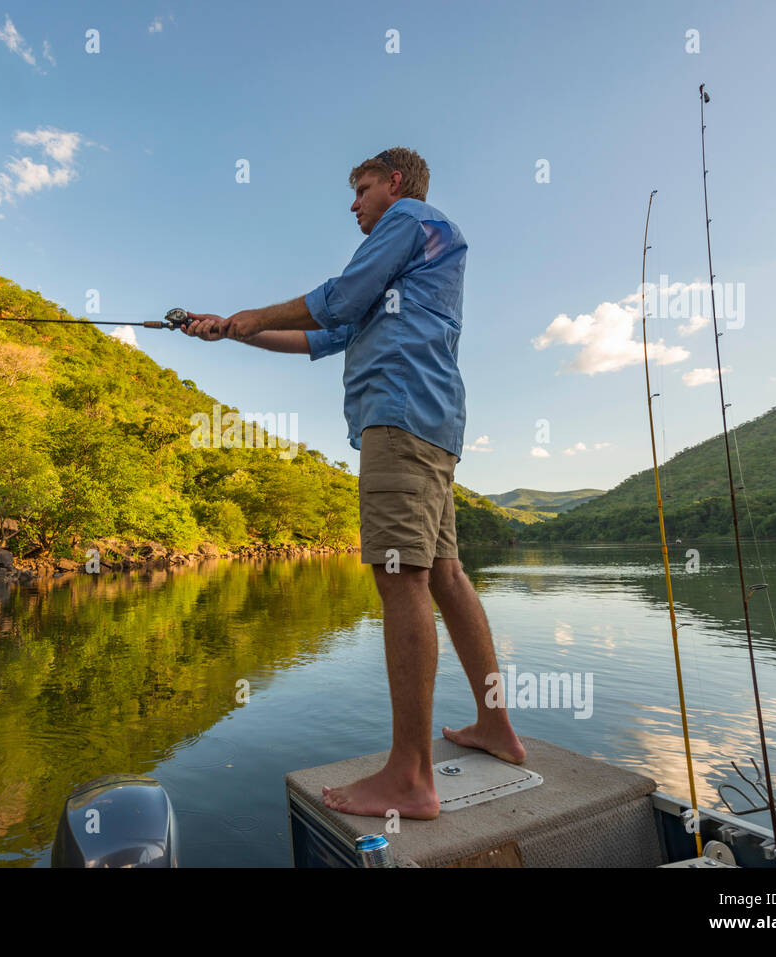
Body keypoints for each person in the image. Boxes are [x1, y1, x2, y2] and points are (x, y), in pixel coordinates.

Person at [181, 147, 524, 819]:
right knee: (447, 574)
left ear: (393, 183)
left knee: (402, 580)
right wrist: (233, 332)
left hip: (396, 418)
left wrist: (248, 314)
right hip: (430, 423)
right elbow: (321, 334)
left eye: (362, 188)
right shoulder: (404, 269)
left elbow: (338, 298)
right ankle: (496, 727)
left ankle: (410, 776)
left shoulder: (410, 218)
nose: (354, 203)